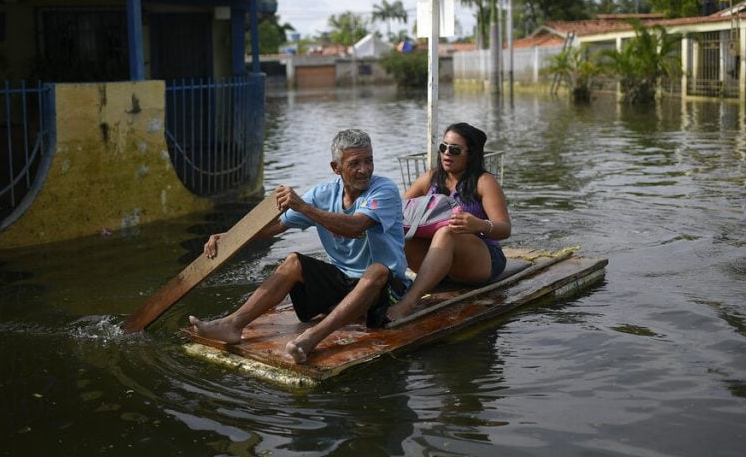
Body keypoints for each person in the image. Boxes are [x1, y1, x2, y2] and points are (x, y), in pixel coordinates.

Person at [189, 129, 410, 364]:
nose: (364, 170)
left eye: (369, 161)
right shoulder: (323, 194)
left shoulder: (384, 190)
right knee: (293, 261)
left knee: (378, 269)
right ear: (336, 168)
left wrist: (305, 208)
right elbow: (276, 227)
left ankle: (310, 338)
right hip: (345, 283)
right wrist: (228, 237)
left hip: (386, 291)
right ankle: (233, 325)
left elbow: (356, 226)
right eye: (355, 163)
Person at [386, 122, 511, 322]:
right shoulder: (430, 178)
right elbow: (397, 210)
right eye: (443, 147)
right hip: (441, 263)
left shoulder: (484, 182)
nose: (446, 154)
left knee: (447, 231)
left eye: (454, 150)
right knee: (397, 233)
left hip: (481, 260)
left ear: (471, 154)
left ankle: (408, 303)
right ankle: (382, 288)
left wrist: (479, 224)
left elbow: (504, 229)